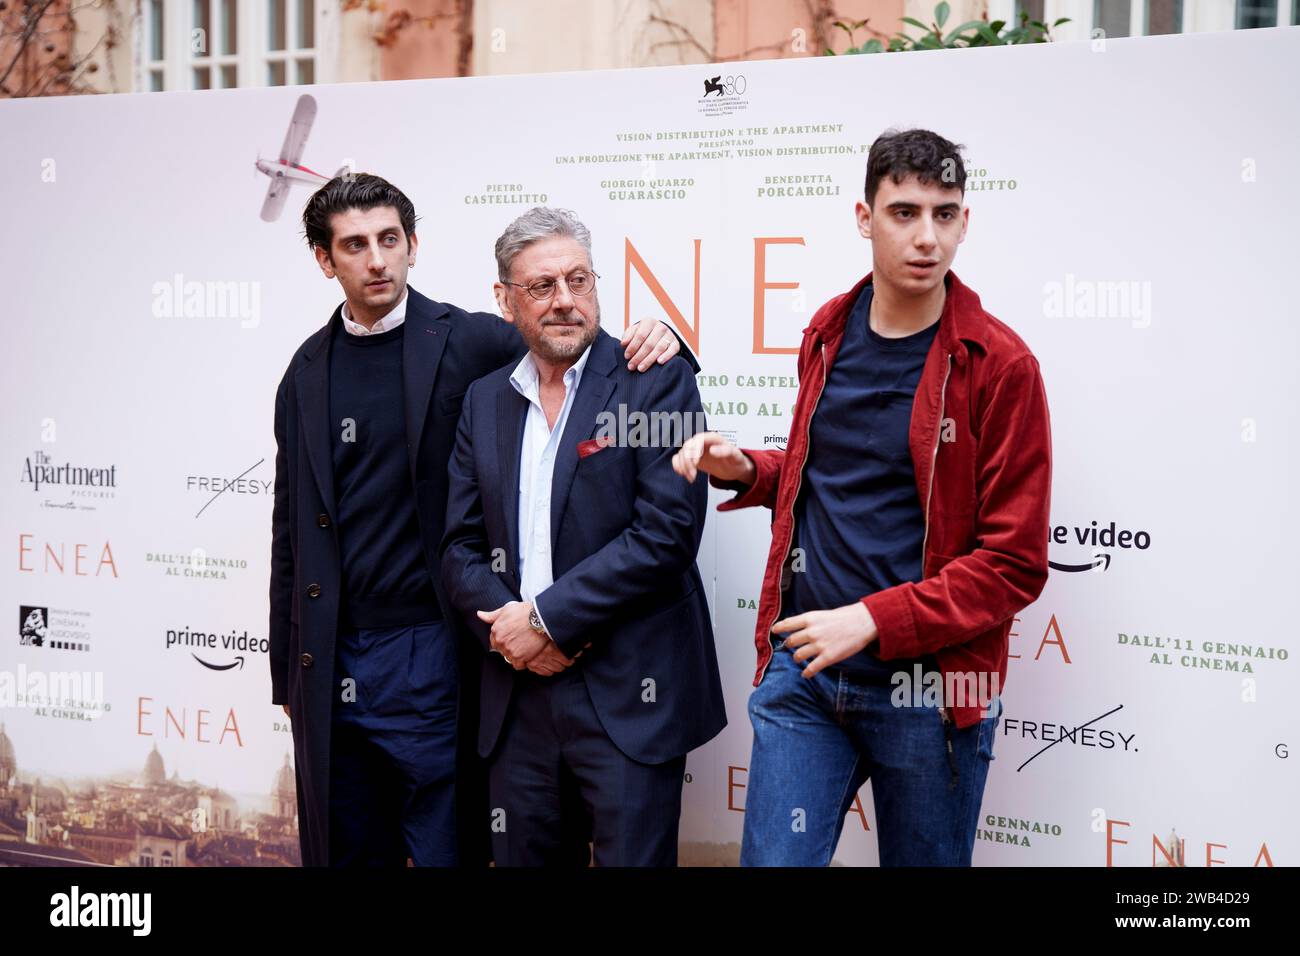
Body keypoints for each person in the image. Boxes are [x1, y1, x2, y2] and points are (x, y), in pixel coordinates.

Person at [268, 175, 689, 867]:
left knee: (448, 845)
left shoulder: (471, 342)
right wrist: (290, 676)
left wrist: (666, 337)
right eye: (354, 245)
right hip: (341, 654)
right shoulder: (305, 372)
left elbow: (575, 342)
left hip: (437, 650)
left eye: (389, 240)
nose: (376, 260)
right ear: (325, 259)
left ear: (413, 245)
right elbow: (292, 530)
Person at [673, 128, 1053, 866]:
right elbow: (837, 473)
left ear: (965, 222)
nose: (926, 237)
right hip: (805, 672)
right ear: (863, 217)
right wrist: (746, 467)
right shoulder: (827, 332)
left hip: (930, 694)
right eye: (904, 212)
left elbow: (1013, 564)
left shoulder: (1000, 366)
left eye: (944, 215)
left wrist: (872, 621)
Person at [440, 206, 726, 866]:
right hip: (515, 698)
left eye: (579, 279)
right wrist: (509, 632)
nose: (565, 300)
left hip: (628, 695)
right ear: (505, 300)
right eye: (542, 286)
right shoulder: (485, 399)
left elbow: (666, 534)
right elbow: (458, 544)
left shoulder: (656, 380)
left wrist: (544, 621)